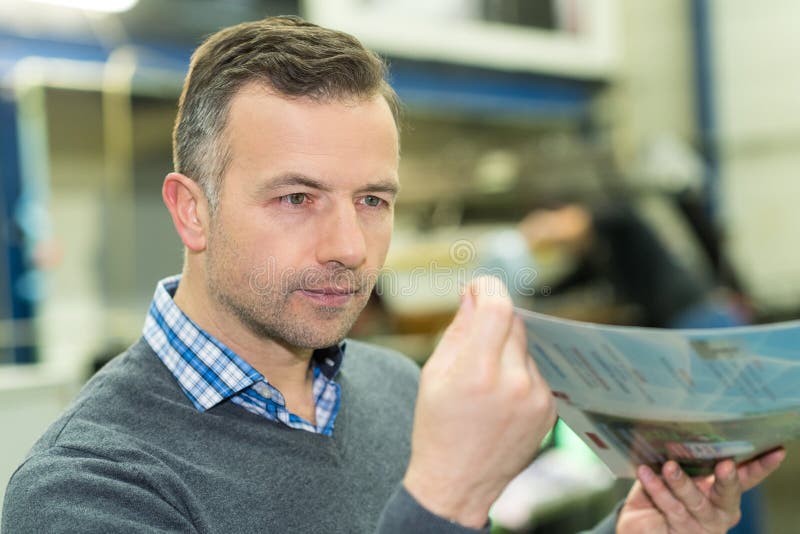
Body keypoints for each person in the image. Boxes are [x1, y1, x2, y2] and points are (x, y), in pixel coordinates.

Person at [1, 16, 785, 533]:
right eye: (297, 198)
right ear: (191, 211)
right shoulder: (90, 493)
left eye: (373, 200)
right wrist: (446, 495)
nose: (350, 246)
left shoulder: (396, 389)